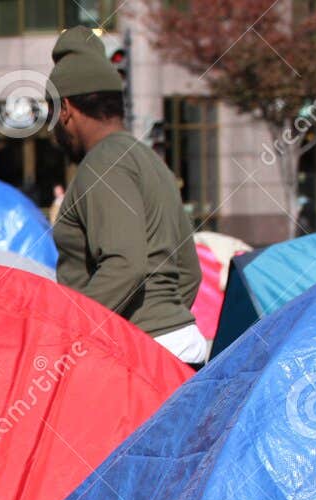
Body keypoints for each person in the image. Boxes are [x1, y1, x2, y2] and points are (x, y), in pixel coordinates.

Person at [49, 27, 206, 366]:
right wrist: (168, 319)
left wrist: (67, 332)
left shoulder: (102, 164)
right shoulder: (149, 159)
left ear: (65, 109)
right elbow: (189, 271)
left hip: (138, 355)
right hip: (179, 346)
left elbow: (125, 265)